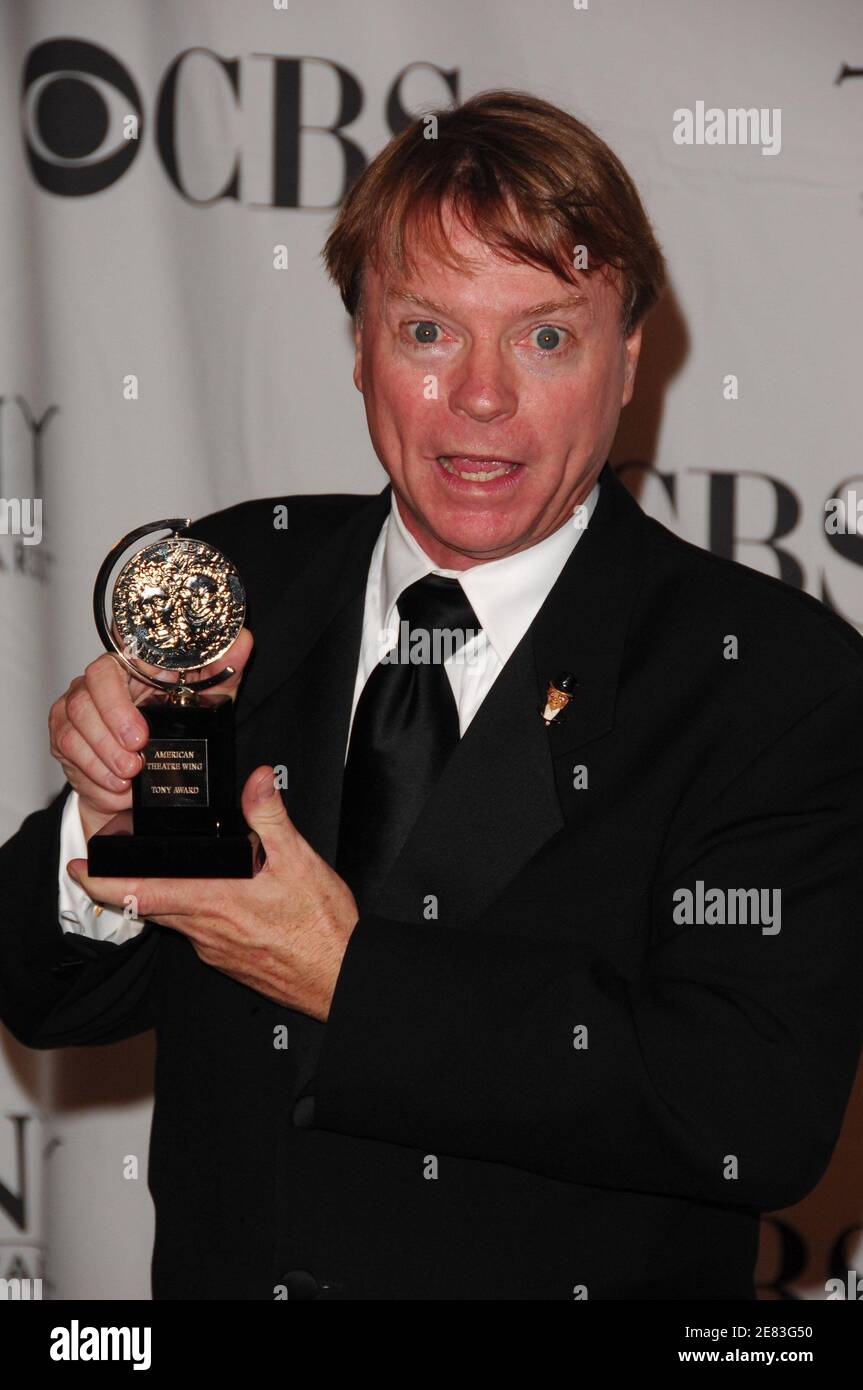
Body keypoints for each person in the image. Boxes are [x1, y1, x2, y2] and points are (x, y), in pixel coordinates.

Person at [2, 89, 863, 1301]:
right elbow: (49, 992)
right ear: (358, 346)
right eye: (426, 332)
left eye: (544, 336)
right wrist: (106, 814)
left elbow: (756, 1108)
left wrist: (348, 977)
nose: (480, 396)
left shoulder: (767, 676)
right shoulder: (242, 581)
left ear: (628, 362)